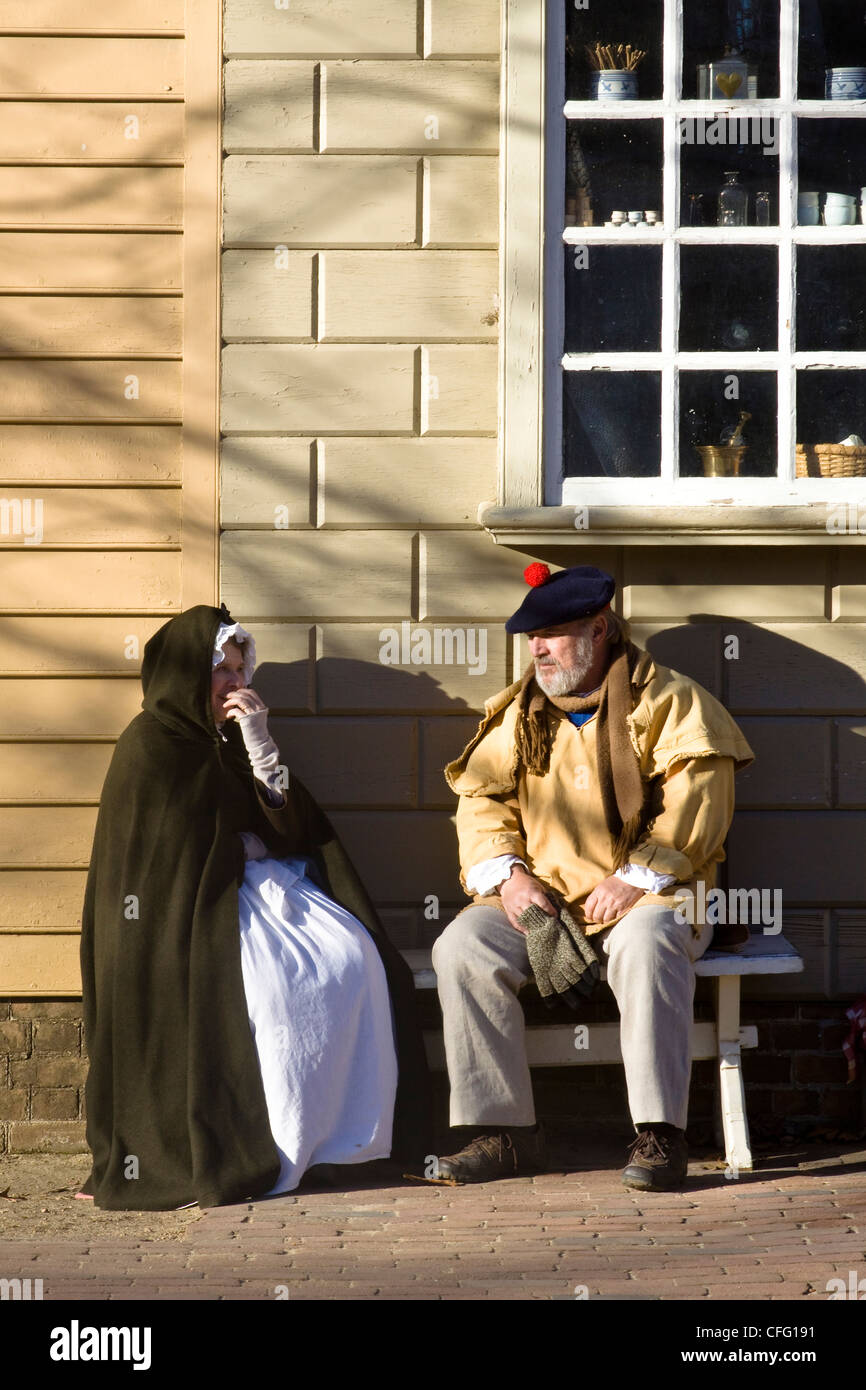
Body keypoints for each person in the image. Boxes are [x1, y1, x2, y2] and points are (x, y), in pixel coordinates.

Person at [79, 603, 430, 1210]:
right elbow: (158, 866)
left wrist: (260, 744)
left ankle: (338, 1143)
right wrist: (233, 847)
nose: (237, 685)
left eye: (242, 671)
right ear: (188, 673)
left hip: (259, 893)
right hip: (188, 921)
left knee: (353, 961)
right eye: (223, 672)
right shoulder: (149, 746)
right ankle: (268, 1141)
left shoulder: (233, 737)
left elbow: (294, 828)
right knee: (273, 993)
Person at [430, 564, 754, 1191]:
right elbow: (481, 798)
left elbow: (700, 803)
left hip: (657, 894)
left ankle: (661, 1135)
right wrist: (512, 879)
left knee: (648, 942)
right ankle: (505, 1134)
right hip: (545, 894)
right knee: (463, 947)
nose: (538, 650)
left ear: (600, 628)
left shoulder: (669, 701)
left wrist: (638, 876)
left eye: (553, 634)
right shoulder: (522, 712)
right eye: (532, 638)